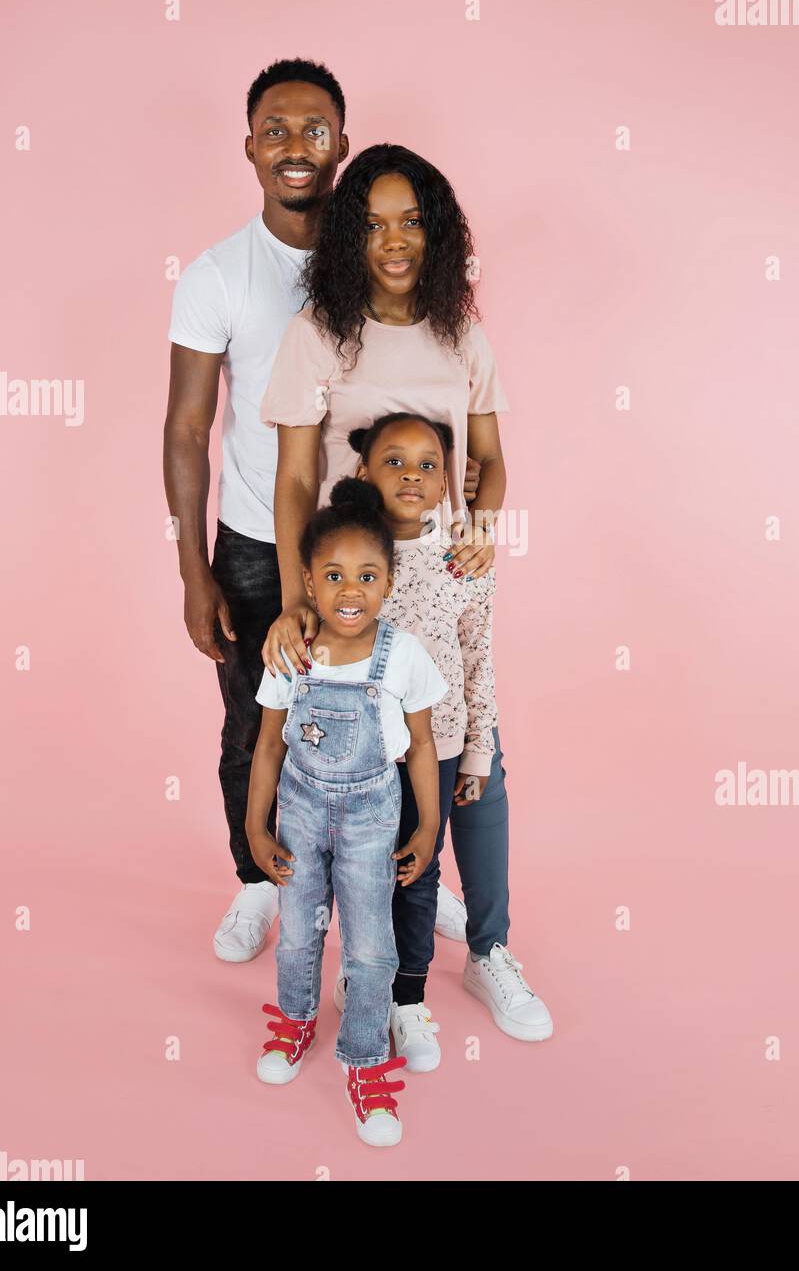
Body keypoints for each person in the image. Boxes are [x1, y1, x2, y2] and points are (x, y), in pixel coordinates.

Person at [163, 61, 482, 961]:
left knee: (405, 713)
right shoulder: (217, 275)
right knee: (256, 718)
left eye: (314, 129)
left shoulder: (388, 261)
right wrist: (193, 569)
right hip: (261, 541)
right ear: (251, 147)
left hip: (387, 546)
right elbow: (188, 429)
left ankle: (405, 884)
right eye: (276, 128)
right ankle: (262, 882)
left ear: (342, 143)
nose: (295, 146)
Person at [260, 145, 553, 1042]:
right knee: (376, 768)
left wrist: (480, 522)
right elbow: (295, 477)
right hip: (357, 590)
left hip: (443, 575)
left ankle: (491, 949)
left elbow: (491, 462)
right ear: (351, 236)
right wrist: (294, 597)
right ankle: (383, 972)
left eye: (411, 221)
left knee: (474, 752)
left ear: (435, 230)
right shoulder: (320, 333)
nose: (393, 241)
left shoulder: (462, 336)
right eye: (373, 223)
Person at [246, 478, 447, 1146]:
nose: (350, 589)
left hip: (371, 817)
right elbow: (270, 743)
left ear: (388, 581)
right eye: (332, 575)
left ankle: (365, 1058)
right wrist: (256, 824)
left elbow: (419, 746)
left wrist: (425, 825)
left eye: (366, 575)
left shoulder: (403, 656)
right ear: (307, 579)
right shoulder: (289, 653)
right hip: (300, 812)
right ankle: (297, 1017)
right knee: (299, 930)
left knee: (368, 946)